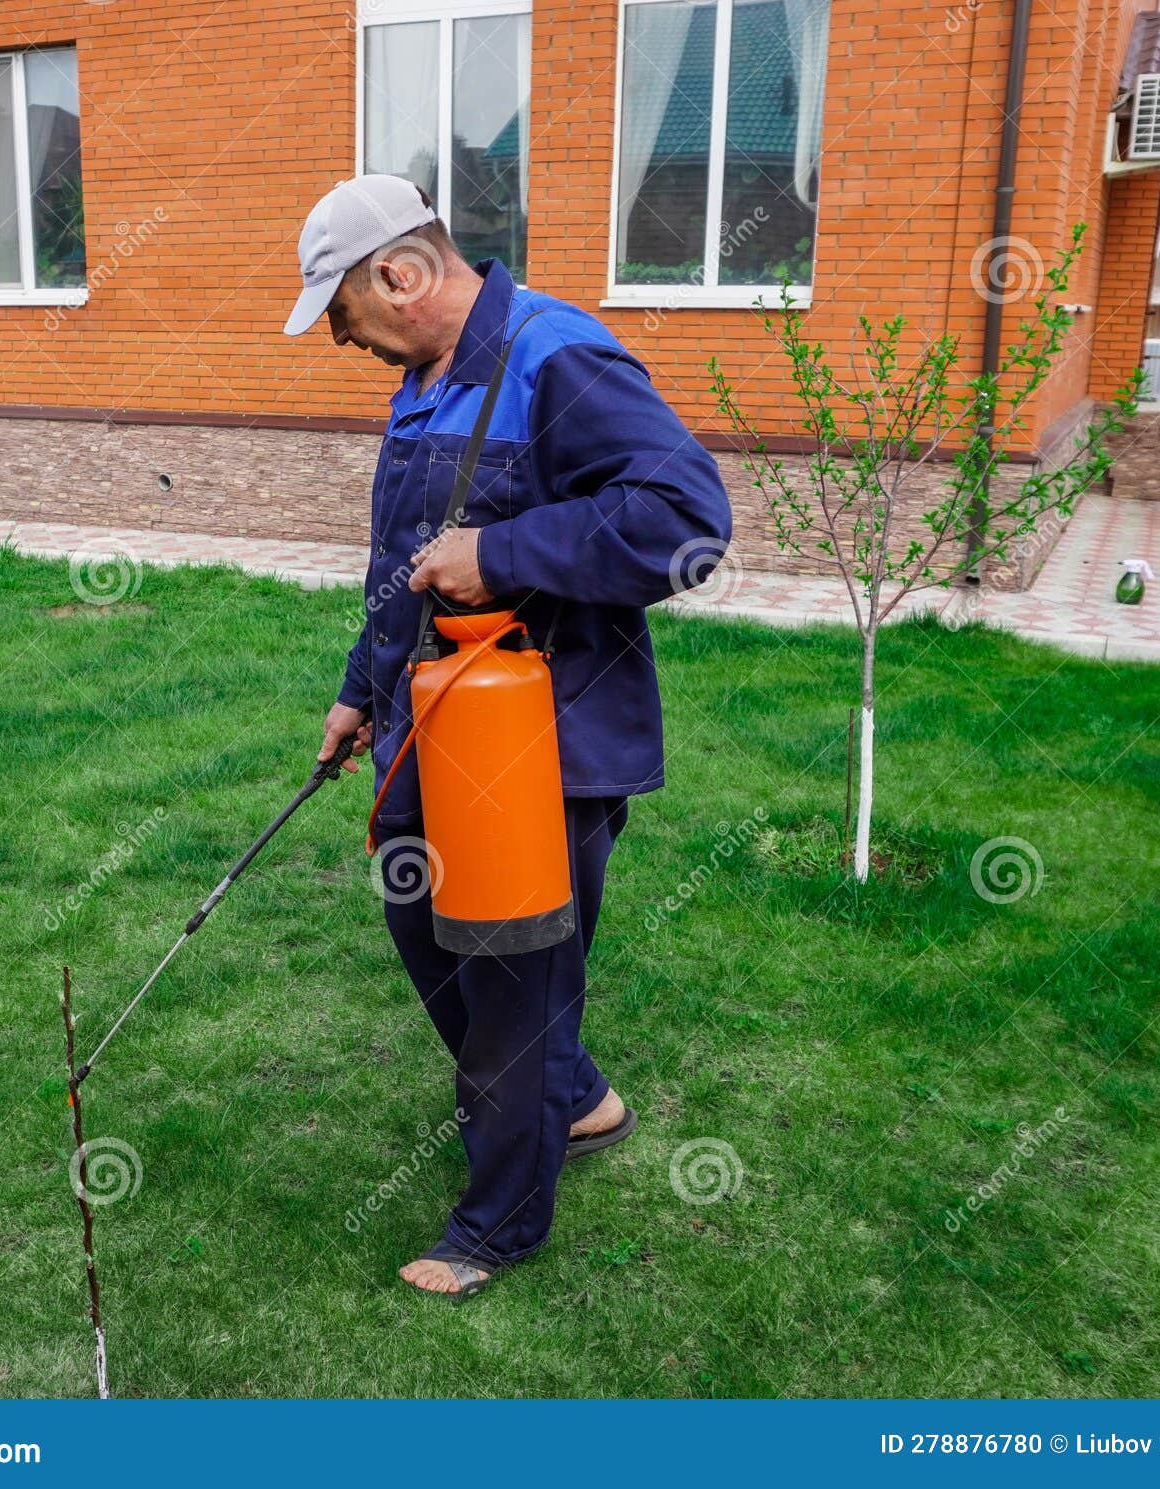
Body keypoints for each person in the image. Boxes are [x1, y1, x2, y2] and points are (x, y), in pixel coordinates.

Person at [283, 174, 732, 1297]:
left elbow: (686, 523)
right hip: (436, 722)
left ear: (399, 272)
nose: (346, 342)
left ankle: (498, 1222)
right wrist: (358, 690)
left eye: (345, 316)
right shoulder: (427, 377)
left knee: (506, 976)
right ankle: (574, 1098)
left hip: (546, 737)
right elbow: (408, 562)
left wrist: (504, 553)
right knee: (421, 917)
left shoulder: (555, 355)